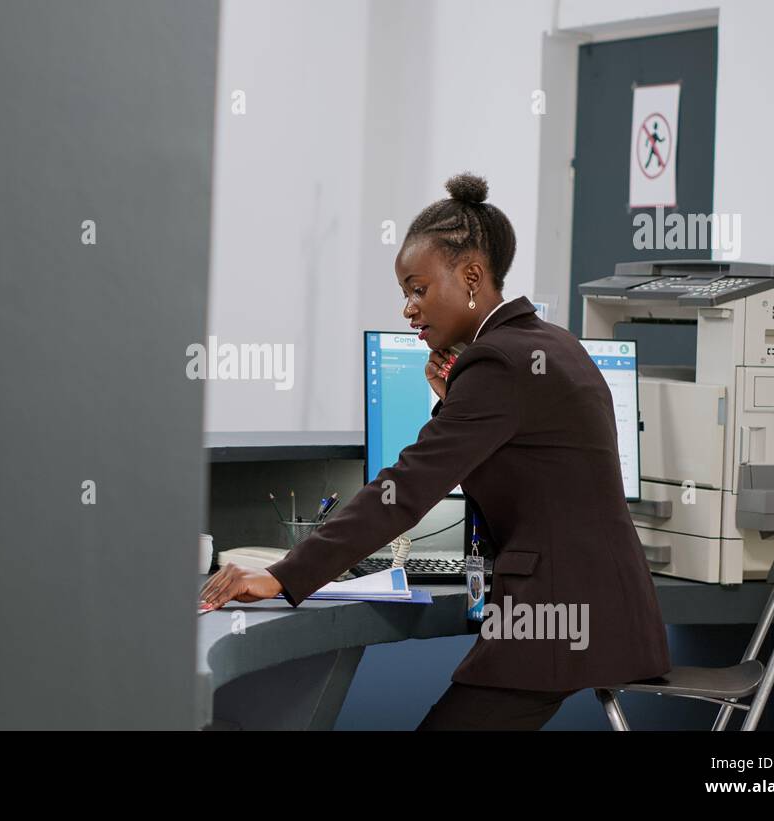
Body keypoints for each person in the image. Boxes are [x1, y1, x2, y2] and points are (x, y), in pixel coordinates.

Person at [199, 172, 671, 729]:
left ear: (471, 276)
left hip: (556, 618)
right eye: (405, 293)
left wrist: (285, 574)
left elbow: (407, 488)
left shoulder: (498, 362)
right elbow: (524, 463)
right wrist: (452, 402)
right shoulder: (547, 342)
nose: (408, 308)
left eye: (418, 289)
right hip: (596, 608)